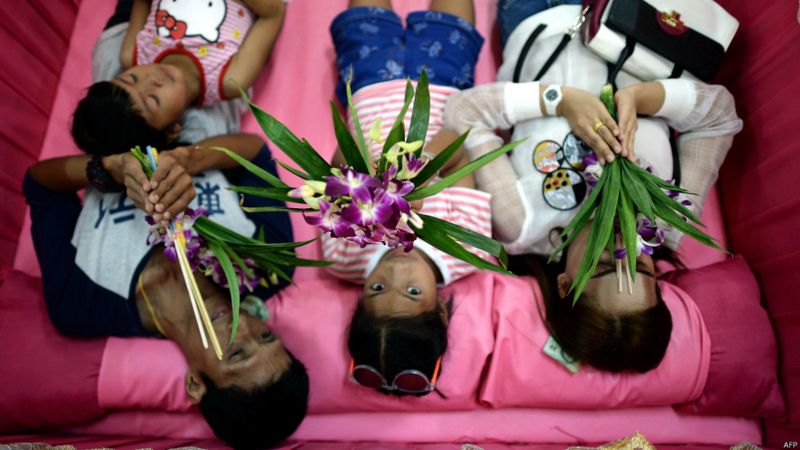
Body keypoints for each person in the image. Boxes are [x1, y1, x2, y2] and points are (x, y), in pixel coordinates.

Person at [444, 1, 743, 372]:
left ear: (566, 285)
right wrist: (641, 98)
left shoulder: (522, 222)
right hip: (639, 17)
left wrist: (560, 101)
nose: (623, 242)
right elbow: (719, 118)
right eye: (642, 265)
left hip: (540, 16)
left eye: (604, 265)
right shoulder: (669, 218)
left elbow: (462, 115)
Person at [23, 134, 309, 449]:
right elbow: (255, 152)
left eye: (236, 353)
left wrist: (108, 168)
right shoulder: (267, 264)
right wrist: (188, 158)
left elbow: (40, 184)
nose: (242, 326)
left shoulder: (82, 304)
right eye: (266, 336)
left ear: (195, 383)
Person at [323, 0, 489, 396]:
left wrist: (365, 175)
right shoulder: (467, 249)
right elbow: (460, 146)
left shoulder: (344, 256)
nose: (395, 274)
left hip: (366, 83)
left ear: (358, 302)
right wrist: (424, 168)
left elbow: (335, 163)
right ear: (441, 312)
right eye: (412, 292)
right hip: (443, 81)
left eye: (376, 290)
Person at [72, 0, 286, 156]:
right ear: (173, 130)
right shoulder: (229, 79)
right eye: (153, 100)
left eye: (130, 79)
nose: (152, 80)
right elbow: (273, 13)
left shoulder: (133, 54)